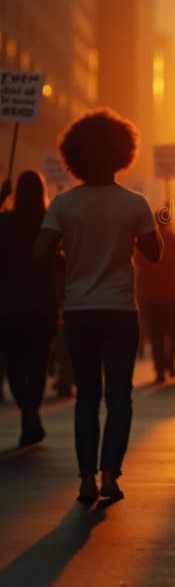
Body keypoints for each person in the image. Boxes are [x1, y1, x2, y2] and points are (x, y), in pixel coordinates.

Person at [34, 108, 162, 503]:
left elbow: (40, 255)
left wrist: (68, 255)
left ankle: (86, 479)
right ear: (123, 153)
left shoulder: (63, 205)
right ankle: (110, 476)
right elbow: (155, 253)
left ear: (75, 155)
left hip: (78, 311)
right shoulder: (135, 204)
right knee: (119, 396)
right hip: (120, 310)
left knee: (86, 395)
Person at [0, 171, 59, 445]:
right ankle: (31, 414)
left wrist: (1, 197)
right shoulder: (49, 223)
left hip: (10, 306)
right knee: (37, 367)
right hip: (43, 305)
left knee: (15, 368)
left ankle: (28, 412)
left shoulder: (6, 223)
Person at [135, 211, 175, 383]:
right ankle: (170, 360)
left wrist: (139, 293)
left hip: (152, 296)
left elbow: (139, 270)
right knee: (173, 332)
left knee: (157, 335)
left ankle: (160, 369)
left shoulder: (146, 243)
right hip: (174, 294)